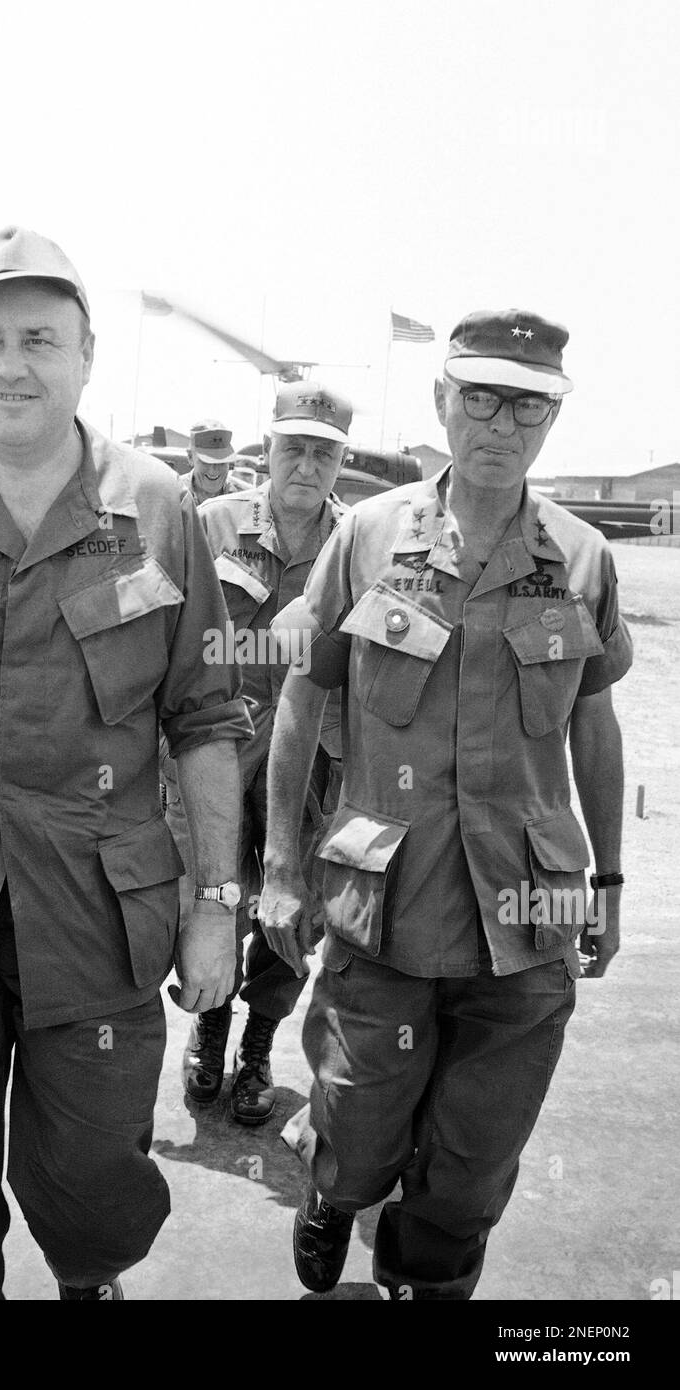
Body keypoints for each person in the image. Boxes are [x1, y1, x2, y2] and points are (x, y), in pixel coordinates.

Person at [0, 225, 251, 1301]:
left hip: (97, 905)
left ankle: (89, 1278)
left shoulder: (158, 510)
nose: (10, 365)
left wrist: (215, 902)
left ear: (85, 354)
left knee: (90, 1170)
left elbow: (203, 715)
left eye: (37, 339)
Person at [259, 310, 632, 1298]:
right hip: (383, 897)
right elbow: (303, 696)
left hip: (533, 901)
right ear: (440, 402)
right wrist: (280, 868)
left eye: (526, 404)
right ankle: (334, 1190)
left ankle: (422, 1270)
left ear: (549, 419)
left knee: (478, 1146)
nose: (500, 424)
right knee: (359, 1107)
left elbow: (591, 729)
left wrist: (606, 880)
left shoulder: (581, 559)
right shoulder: (367, 536)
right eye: (480, 397)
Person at [173, 383, 350, 1124]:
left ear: (339, 458)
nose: (305, 465)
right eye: (292, 448)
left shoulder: (360, 540)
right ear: (266, 450)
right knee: (212, 890)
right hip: (218, 746)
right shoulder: (208, 523)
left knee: (289, 907)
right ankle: (209, 1028)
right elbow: (165, 634)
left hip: (310, 758)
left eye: (322, 451)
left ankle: (257, 1050)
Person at [182, 419, 247, 503]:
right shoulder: (174, 494)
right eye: (206, 461)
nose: (213, 470)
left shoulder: (245, 498)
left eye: (221, 461)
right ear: (190, 457)